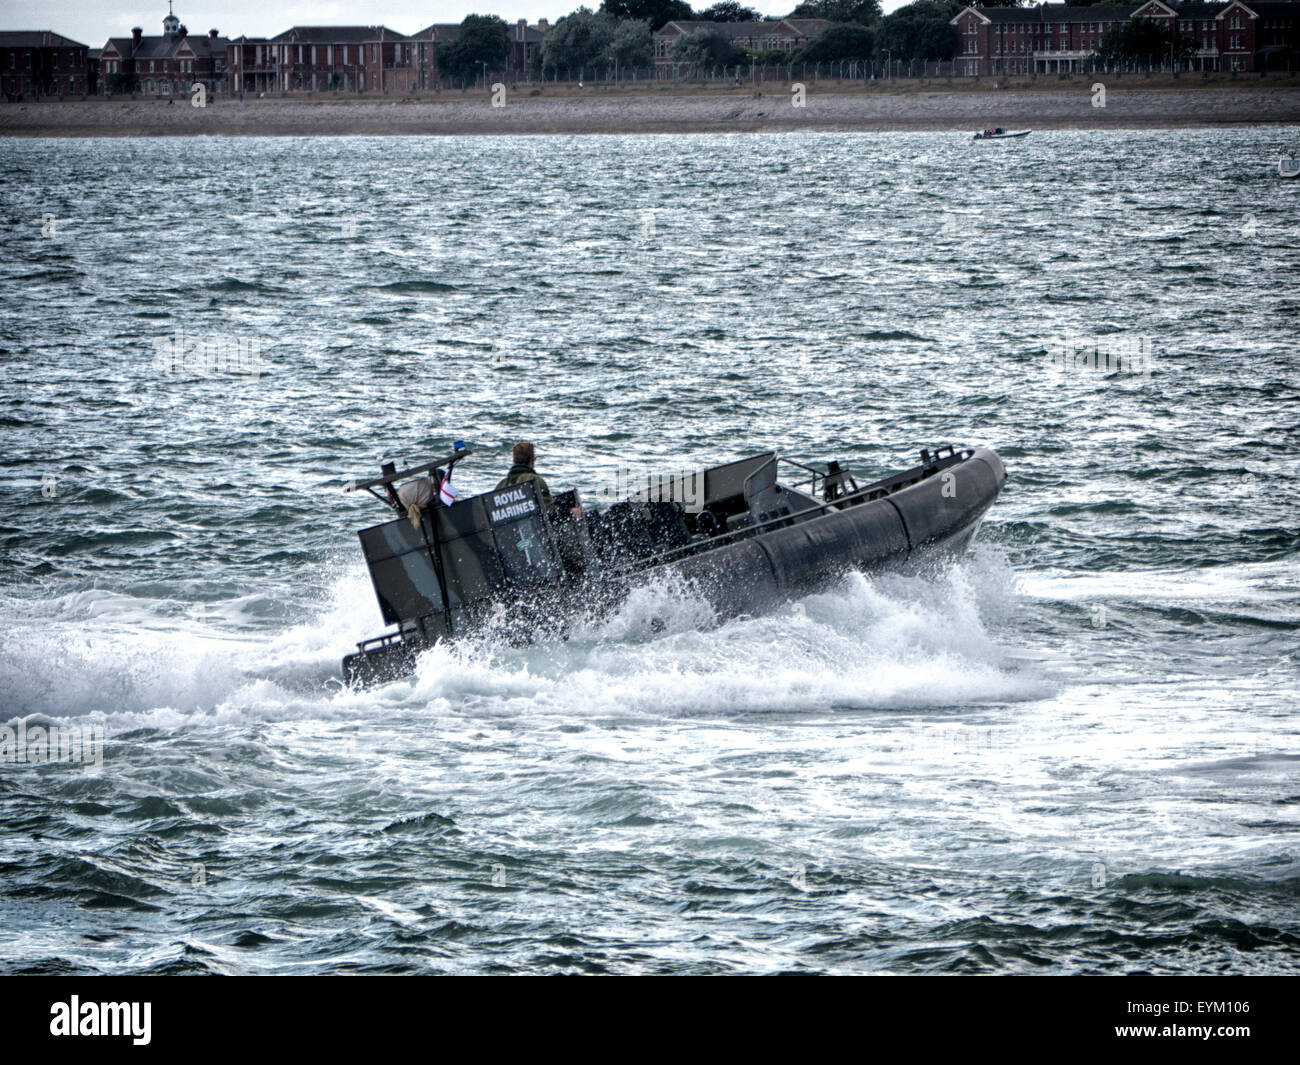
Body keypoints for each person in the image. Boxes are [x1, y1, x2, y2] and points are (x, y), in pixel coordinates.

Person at [497, 441, 579, 519]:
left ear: (514, 461)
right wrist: (570, 511)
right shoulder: (535, 481)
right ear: (532, 461)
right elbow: (548, 512)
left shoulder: (501, 485)